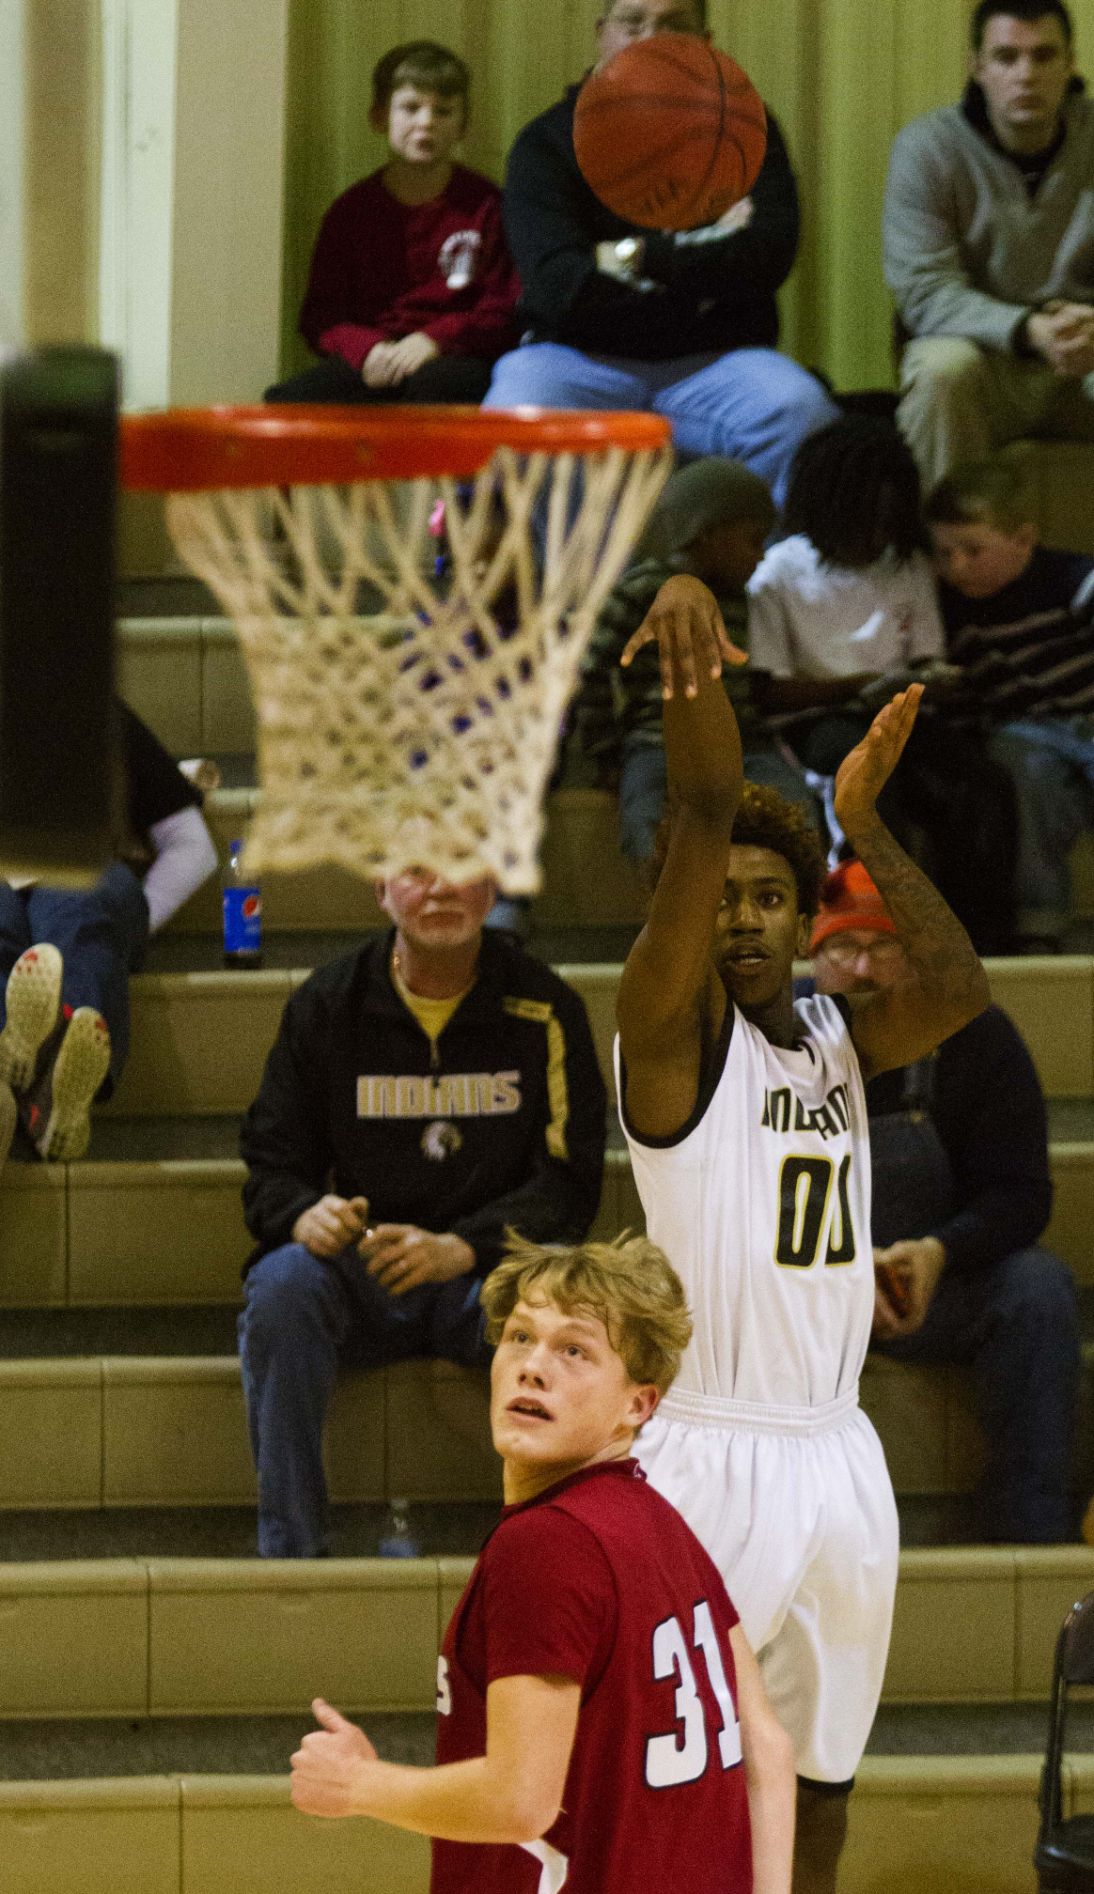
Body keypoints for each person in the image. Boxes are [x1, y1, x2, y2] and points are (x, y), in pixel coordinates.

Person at [612, 570, 991, 1893]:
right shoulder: (667, 1038)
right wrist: (688, 633)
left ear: (801, 916)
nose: (741, 916)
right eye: (720, 897)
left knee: (817, 1792)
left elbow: (957, 986)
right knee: (671, 1795)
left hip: (837, 1454)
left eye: (769, 897)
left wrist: (864, 822)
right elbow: (702, 805)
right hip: (703, 1455)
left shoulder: (833, 1037)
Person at [290, 1231, 796, 1893]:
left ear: (638, 1404)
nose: (532, 1367)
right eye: (520, 1336)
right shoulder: (664, 1524)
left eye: (574, 1350)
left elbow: (519, 1801)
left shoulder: (545, 1544)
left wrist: (360, 1784)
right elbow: (767, 1749)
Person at [238, 868, 607, 1557]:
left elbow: (570, 1183)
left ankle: (555, 1552)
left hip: (488, 1277)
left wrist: (463, 1247)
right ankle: (290, 1554)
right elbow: (270, 1161)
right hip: (363, 1270)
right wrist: (303, 1213)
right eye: (416, 868)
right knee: (282, 1286)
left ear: (493, 889)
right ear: (381, 890)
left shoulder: (546, 1006)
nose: (440, 887)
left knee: (569, 1306)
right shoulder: (327, 1004)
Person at [810, 858, 1079, 1544]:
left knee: (1037, 1289)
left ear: (917, 954)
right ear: (811, 953)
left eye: (884, 948)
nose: (863, 969)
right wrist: (838, 1276)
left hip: (933, 1287)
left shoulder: (977, 1035)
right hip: (804, 1294)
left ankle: (1029, 1537)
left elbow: (1022, 1194)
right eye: (843, 949)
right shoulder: (775, 1037)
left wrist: (939, 1251)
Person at [485, 0, 837, 510]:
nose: (651, 39)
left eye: (673, 25)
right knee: (516, 411)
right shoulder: (547, 142)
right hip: (578, 361)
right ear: (602, 32)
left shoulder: (745, 129)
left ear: (705, 43)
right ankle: (585, 565)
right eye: (633, 23)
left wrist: (624, 257)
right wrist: (699, 278)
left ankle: (751, 564)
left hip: (714, 362)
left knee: (802, 413)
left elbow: (767, 257)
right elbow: (558, 286)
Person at [747, 416, 1017, 953]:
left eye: (889, 521)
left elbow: (926, 657)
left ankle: (978, 937)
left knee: (982, 786)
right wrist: (859, 687)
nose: (877, 536)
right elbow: (770, 689)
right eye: (866, 520)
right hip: (821, 721)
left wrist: (933, 681)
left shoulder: (907, 564)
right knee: (866, 786)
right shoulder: (779, 572)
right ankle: (869, 933)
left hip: (903, 713)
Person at [884, 0, 1094, 486]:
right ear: (976, 67)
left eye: (1044, 56)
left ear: (1070, 63)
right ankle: (949, 536)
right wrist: (1027, 329)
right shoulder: (928, 148)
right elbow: (924, 291)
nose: (1026, 75)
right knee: (942, 369)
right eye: (1006, 57)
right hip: (985, 361)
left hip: (1084, 357)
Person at [575, 456, 818, 875]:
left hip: (745, 743)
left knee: (799, 818)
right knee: (648, 828)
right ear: (708, 534)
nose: (761, 556)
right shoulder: (641, 591)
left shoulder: (743, 601)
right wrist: (607, 756)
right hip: (659, 743)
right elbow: (592, 673)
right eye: (753, 541)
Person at [0, 699, 217, 1167]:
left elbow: (192, 846)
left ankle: (45, 1074)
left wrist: (130, 925)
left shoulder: (96, 710)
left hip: (84, 883)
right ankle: (43, 1095)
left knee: (81, 893)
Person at [266, 42, 519, 406]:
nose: (426, 122)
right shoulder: (351, 212)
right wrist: (366, 349)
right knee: (286, 403)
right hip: (374, 357)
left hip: (453, 358)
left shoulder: (487, 206)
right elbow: (320, 316)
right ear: (379, 117)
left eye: (443, 111)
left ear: (463, 126)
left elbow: (503, 309)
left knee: (438, 389)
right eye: (411, 108)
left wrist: (435, 340)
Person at [926, 457, 1094, 949]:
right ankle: (1040, 925)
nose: (957, 566)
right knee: (1020, 774)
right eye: (944, 553)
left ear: (1023, 540)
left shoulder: (1067, 578)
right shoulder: (947, 609)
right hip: (1023, 729)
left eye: (973, 550)